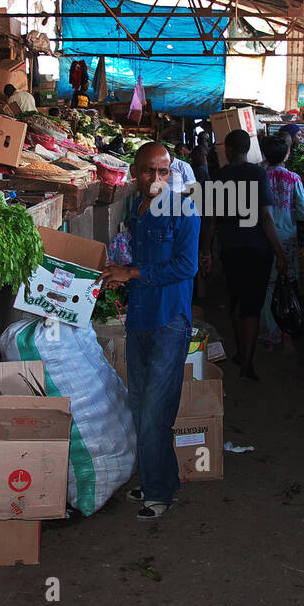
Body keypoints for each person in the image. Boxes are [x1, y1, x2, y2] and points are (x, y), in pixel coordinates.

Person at [98, 142, 200, 522]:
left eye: (164, 172)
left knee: (157, 409)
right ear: (135, 172)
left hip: (169, 321)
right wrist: (117, 273)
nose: (157, 179)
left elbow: (186, 267)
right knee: (141, 405)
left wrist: (133, 273)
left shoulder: (184, 209)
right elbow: (136, 262)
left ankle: (158, 492)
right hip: (140, 317)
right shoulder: (136, 209)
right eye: (149, 172)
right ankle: (159, 479)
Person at [200, 130, 288, 381]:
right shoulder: (258, 173)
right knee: (251, 307)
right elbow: (266, 218)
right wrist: (280, 254)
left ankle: (241, 353)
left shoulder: (219, 176)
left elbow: (211, 221)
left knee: (237, 300)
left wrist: (206, 252)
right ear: (247, 149)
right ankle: (247, 362)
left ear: (227, 149)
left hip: (230, 249)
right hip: (257, 249)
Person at [258, 135, 304, 349]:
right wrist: (289, 215)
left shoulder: (259, 176)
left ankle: (269, 335)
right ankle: (286, 331)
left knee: (267, 288)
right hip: (287, 240)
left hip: (263, 238)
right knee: (286, 286)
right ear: (287, 154)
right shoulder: (294, 179)